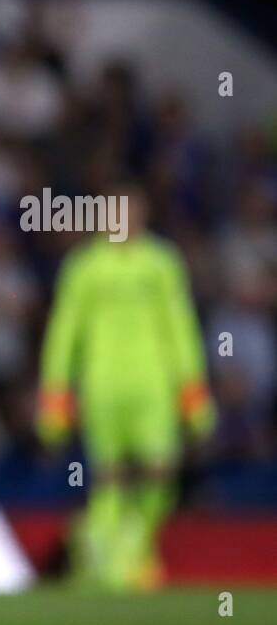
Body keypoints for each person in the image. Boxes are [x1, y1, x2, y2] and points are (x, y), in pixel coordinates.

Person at [37, 185, 216, 591]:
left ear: (144, 213)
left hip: (155, 385)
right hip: (101, 386)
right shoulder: (84, 267)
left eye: (131, 210)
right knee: (108, 480)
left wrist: (193, 391)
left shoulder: (161, 264)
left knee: (160, 473)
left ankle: (128, 549)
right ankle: (114, 564)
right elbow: (65, 333)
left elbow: (180, 328)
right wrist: (56, 395)